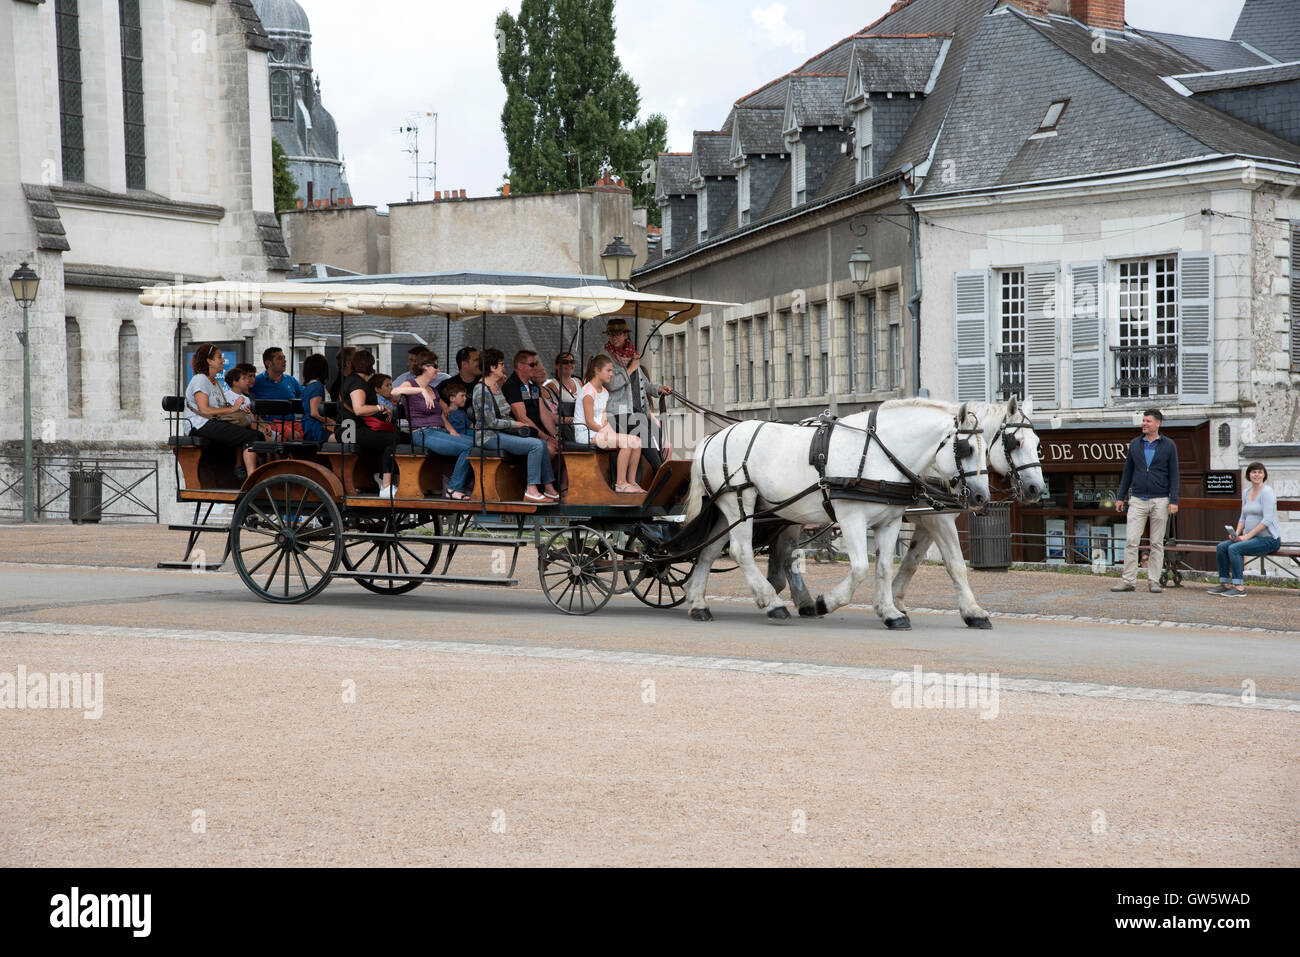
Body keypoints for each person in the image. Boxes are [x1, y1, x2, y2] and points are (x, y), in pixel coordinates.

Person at [470, 348, 559, 503]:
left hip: (502, 433)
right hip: (488, 436)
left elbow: (504, 413)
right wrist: (515, 424)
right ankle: (531, 489)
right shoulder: (481, 390)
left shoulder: (496, 387)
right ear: (492, 367)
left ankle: (549, 488)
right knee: (536, 445)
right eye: (501, 364)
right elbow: (490, 422)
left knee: (541, 444)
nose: (503, 367)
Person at [1111, 408, 1180, 593]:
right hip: (1137, 499)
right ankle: (1128, 581)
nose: (1144, 424)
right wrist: (1120, 497)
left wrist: (1174, 500)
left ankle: (1154, 581)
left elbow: (1174, 474)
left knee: (1157, 543)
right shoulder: (1135, 444)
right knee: (1131, 540)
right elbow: (1127, 473)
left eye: (1148, 421)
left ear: (1158, 423)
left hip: (1160, 500)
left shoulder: (1169, 445)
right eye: (1143, 421)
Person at [391, 351, 475, 500]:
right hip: (422, 433)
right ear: (424, 367)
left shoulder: (434, 390)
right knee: (468, 447)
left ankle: (464, 486)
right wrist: (420, 390)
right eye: (435, 366)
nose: (438, 369)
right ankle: (453, 489)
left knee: (475, 444)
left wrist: (452, 431)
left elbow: (441, 415)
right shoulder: (411, 384)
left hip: (439, 431)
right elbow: (394, 391)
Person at [183, 343, 263, 481]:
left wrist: (239, 410)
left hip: (213, 422)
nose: (223, 360)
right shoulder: (200, 380)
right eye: (219, 357)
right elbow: (205, 410)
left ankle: (251, 473)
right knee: (250, 437)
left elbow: (221, 408)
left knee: (257, 435)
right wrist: (232, 409)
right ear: (209, 361)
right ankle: (252, 479)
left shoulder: (216, 383)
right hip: (200, 425)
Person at [602, 317, 672, 471]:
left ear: (626, 335)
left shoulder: (631, 356)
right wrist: (631, 369)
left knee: (657, 431)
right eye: (612, 335)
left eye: (619, 334)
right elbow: (611, 384)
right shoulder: (606, 358)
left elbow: (644, 384)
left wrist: (659, 389)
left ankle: (659, 471)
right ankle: (659, 469)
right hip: (617, 413)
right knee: (640, 427)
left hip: (636, 411)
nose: (615, 338)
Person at [1210, 462, 1282, 598]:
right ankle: (1225, 584)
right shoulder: (1246, 492)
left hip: (1269, 540)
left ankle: (1239, 587)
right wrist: (1236, 534)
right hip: (1252, 538)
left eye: (1260, 472)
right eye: (1254, 472)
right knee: (1222, 547)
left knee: (1234, 549)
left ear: (1264, 475)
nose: (1257, 475)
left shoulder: (1267, 492)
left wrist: (1247, 536)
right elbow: (1243, 517)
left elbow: (1267, 520)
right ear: (1249, 474)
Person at [577, 354, 645, 494]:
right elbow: (589, 422)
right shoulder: (588, 391)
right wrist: (606, 433)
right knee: (626, 442)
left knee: (637, 441)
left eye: (612, 370)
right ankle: (620, 483)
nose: (611, 374)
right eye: (608, 370)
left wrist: (610, 433)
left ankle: (631, 482)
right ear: (597, 370)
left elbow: (604, 419)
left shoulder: (605, 392)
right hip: (586, 433)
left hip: (599, 431)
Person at [341, 350, 399, 499]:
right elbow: (359, 409)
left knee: (393, 437)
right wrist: (381, 408)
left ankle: (381, 477)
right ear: (370, 365)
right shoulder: (357, 384)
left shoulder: (353, 380)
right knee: (391, 439)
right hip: (353, 430)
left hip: (352, 428)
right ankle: (385, 486)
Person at [503, 350, 558, 457]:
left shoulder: (533, 386)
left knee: (560, 449)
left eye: (536, 364)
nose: (536, 368)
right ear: (520, 366)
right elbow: (522, 418)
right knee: (550, 449)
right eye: (532, 365)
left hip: (537, 432)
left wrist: (555, 436)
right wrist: (546, 438)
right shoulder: (511, 386)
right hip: (522, 434)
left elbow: (544, 413)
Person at [251, 346, 304, 440]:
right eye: (280, 358)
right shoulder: (257, 381)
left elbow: (306, 396)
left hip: (292, 422)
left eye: (284, 357)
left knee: (311, 433)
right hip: (271, 424)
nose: (284, 360)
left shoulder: (291, 380)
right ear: (269, 363)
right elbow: (247, 401)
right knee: (294, 436)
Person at [299, 353, 331, 443]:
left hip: (308, 427)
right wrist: (329, 420)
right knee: (346, 439)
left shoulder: (308, 386)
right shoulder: (317, 386)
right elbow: (314, 413)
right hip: (316, 429)